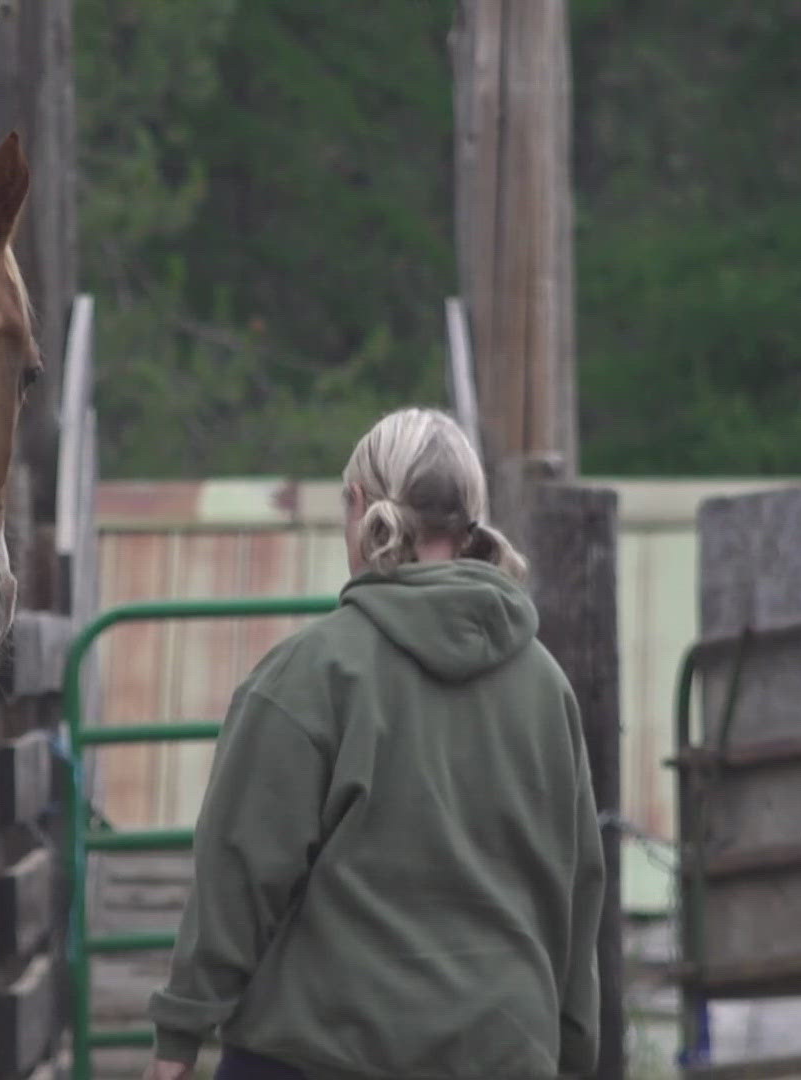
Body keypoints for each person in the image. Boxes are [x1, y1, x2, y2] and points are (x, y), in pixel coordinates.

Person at [142, 407, 605, 1080]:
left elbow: (237, 876)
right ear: (472, 521)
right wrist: (573, 1053)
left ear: (359, 506)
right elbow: (577, 895)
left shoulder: (307, 676)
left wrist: (177, 1038)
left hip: (319, 1058)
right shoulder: (547, 687)